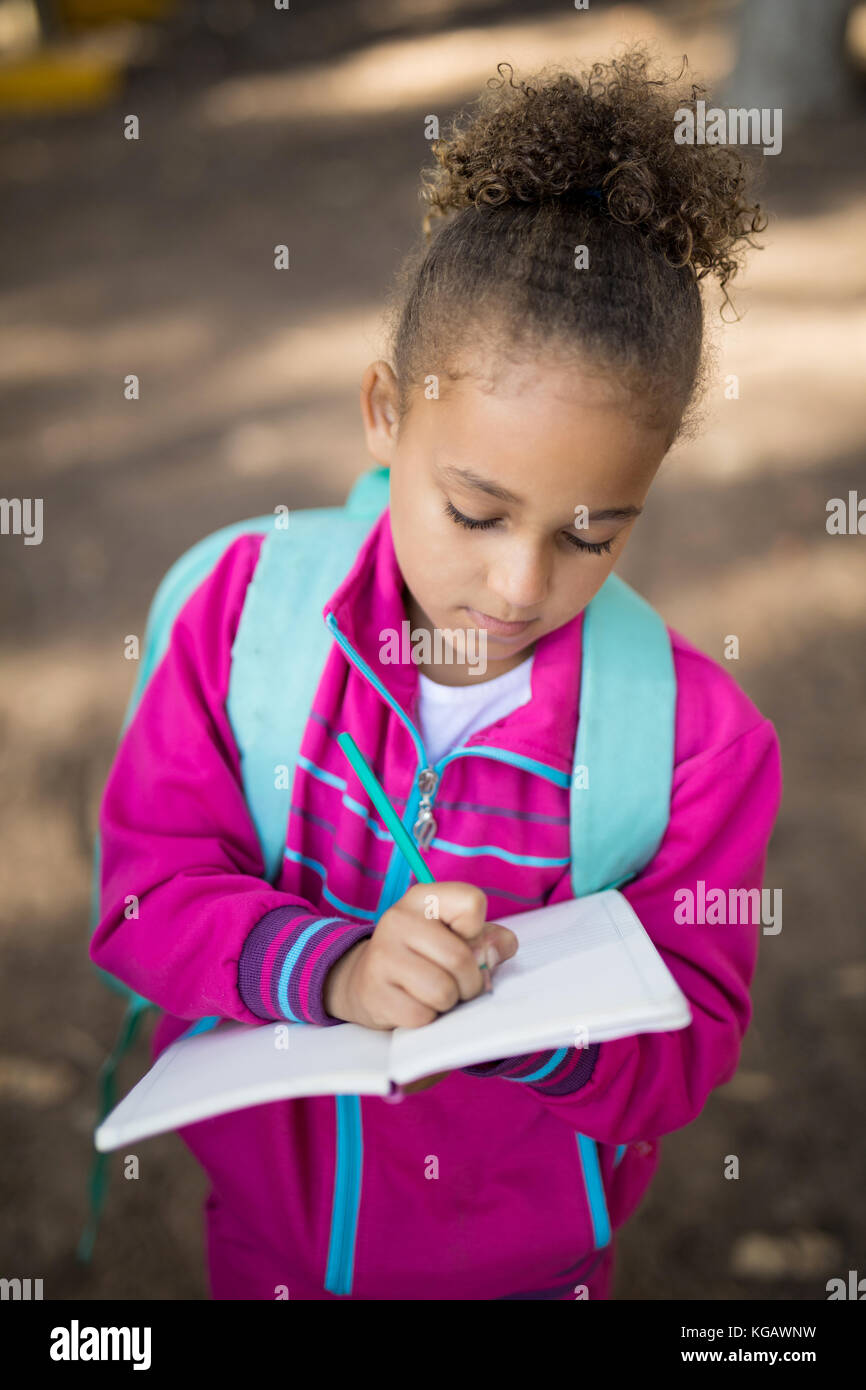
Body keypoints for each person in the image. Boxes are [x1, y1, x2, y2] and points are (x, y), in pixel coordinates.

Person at [91, 47, 782, 1300]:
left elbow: (689, 1040)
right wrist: (332, 971)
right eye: (473, 510)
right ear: (381, 413)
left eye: (591, 531)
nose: (518, 587)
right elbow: (143, 900)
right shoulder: (240, 620)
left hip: (533, 1271)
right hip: (271, 1252)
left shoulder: (698, 742)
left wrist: (530, 1027)